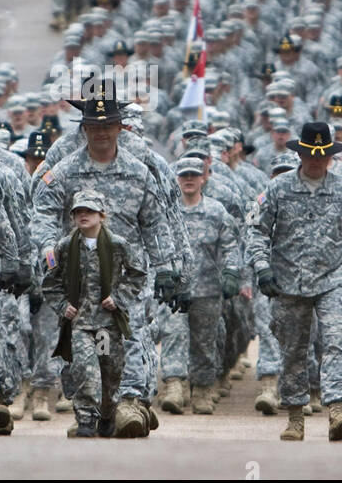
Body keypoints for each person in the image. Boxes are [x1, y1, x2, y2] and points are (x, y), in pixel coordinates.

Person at [30, 94, 179, 439]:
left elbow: (155, 223)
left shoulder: (138, 171)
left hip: (127, 276)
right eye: (94, 126)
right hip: (78, 279)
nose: (101, 133)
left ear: (119, 127)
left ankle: (126, 405)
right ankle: (87, 412)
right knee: (82, 350)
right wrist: (50, 255)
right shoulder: (64, 171)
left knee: (126, 341)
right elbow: (42, 216)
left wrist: (167, 267)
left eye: (107, 125)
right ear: (84, 128)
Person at [245, 122, 342, 442]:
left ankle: (338, 410)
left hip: (333, 278)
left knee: (336, 340)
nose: (316, 161)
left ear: (331, 157)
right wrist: (262, 268)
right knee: (293, 349)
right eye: (310, 155)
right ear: (300, 155)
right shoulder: (278, 189)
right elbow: (257, 231)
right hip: (288, 280)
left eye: (323, 156)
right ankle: (294, 415)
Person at [42, 190, 147, 437]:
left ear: (102, 215)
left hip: (107, 325)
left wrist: (118, 298)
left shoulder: (118, 245)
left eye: (88, 211)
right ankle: (86, 420)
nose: (83, 216)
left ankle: (107, 415)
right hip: (79, 325)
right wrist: (62, 305)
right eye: (78, 212)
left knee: (110, 374)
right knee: (85, 370)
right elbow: (49, 281)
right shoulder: (65, 246)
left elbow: (137, 274)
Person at [172, 156, 242, 415]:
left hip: (207, 288)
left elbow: (231, 247)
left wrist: (232, 273)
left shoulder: (216, 211)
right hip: (174, 291)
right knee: (174, 337)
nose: (189, 180)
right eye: (184, 175)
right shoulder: (168, 212)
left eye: (194, 175)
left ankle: (202, 389)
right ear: (177, 179)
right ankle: (174, 385)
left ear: (204, 178)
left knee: (204, 342)